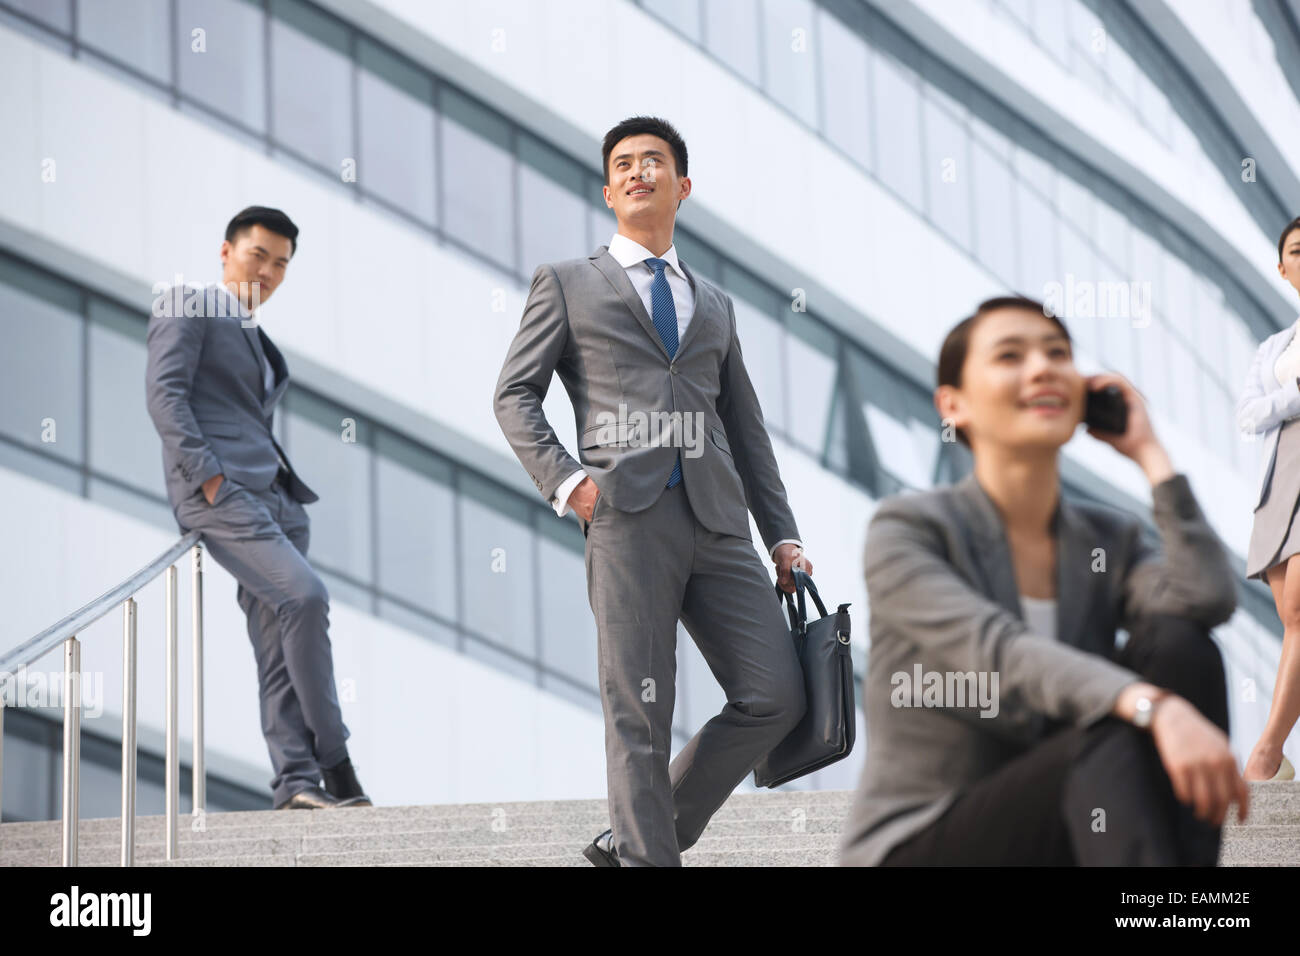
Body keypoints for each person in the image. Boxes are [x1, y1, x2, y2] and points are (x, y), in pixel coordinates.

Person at [493, 116, 812, 866]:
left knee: (777, 694)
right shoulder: (567, 283)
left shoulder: (716, 304)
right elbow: (515, 396)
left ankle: (646, 830)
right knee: (640, 707)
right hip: (625, 516)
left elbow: (747, 426)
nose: (641, 172)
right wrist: (570, 483)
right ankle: (645, 857)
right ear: (609, 191)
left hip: (719, 521)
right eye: (626, 164)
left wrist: (782, 534)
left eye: (656, 162)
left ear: (683, 186)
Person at [839, 295, 1246, 866]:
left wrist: (1152, 456)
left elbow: (1204, 600)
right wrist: (1152, 706)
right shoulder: (909, 529)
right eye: (1010, 356)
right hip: (924, 844)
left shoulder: (1109, 541)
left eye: (1058, 354)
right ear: (953, 404)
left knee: (1183, 645)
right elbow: (997, 651)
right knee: (1110, 730)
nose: (1043, 368)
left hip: (1080, 823)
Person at [145, 206, 370, 811]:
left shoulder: (256, 335)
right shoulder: (186, 302)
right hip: (224, 495)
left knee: (279, 642)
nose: (268, 270)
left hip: (277, 501)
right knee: (305, 596)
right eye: (258, 254)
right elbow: (165, 397)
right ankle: (338, 762)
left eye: (281, 263)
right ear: (226, 252)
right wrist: (210, 481)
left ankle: (297, 782)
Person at [1239, 215, 1300, 781]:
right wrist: (1296, 396)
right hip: (1280, 479)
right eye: (1298, 251)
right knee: (1290, 616)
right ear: (1283, 269)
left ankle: (1267, 751)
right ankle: (1278, 761)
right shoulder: (1274, 347)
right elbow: (1250, 415)